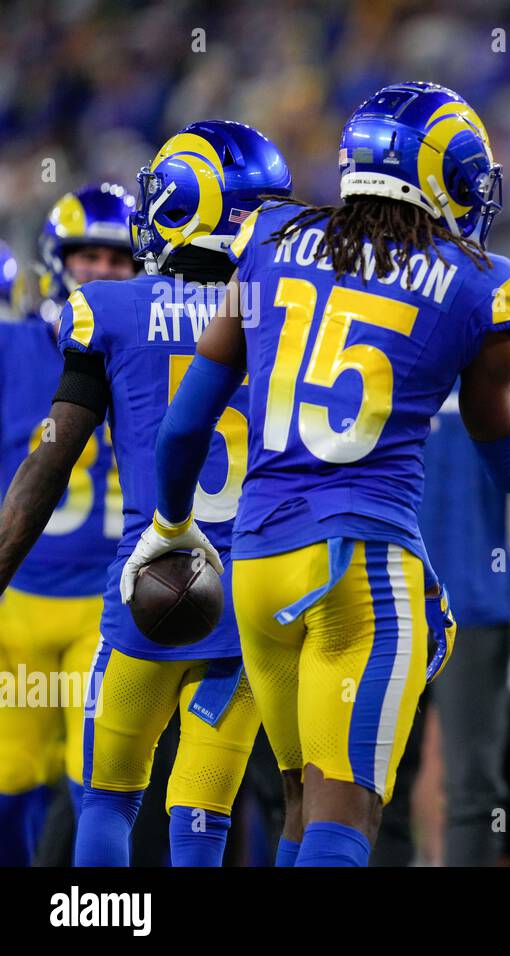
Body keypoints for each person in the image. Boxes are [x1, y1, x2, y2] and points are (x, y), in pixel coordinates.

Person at [123, 82, 510, 867]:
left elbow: (183, 426)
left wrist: (171, 528)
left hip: (257, 567)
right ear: (443, 172)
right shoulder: (480, 284)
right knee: (346, 817)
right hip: (361, 567)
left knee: (297, 806)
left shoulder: (271, 237)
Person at [0, 123, 293, 866]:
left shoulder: (112, 308)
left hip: (149, 581)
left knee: (107, 799)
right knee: (204, 814)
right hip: (257, 593)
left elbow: (50, 459)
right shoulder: (293, 310)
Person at [0, 186, 133, 864]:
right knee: (9, 785)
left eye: (119, 259)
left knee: (98, 787)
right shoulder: (13, 346)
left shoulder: (152, 347)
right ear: (57, 261)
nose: (103, 271)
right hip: (16, 601)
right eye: (89, 256)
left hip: (104, 607)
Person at [418, 334, 510, 866]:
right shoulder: (374, 335)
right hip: (381, 597)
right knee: (367, 779)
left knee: (474, 784)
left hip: (476, 603)